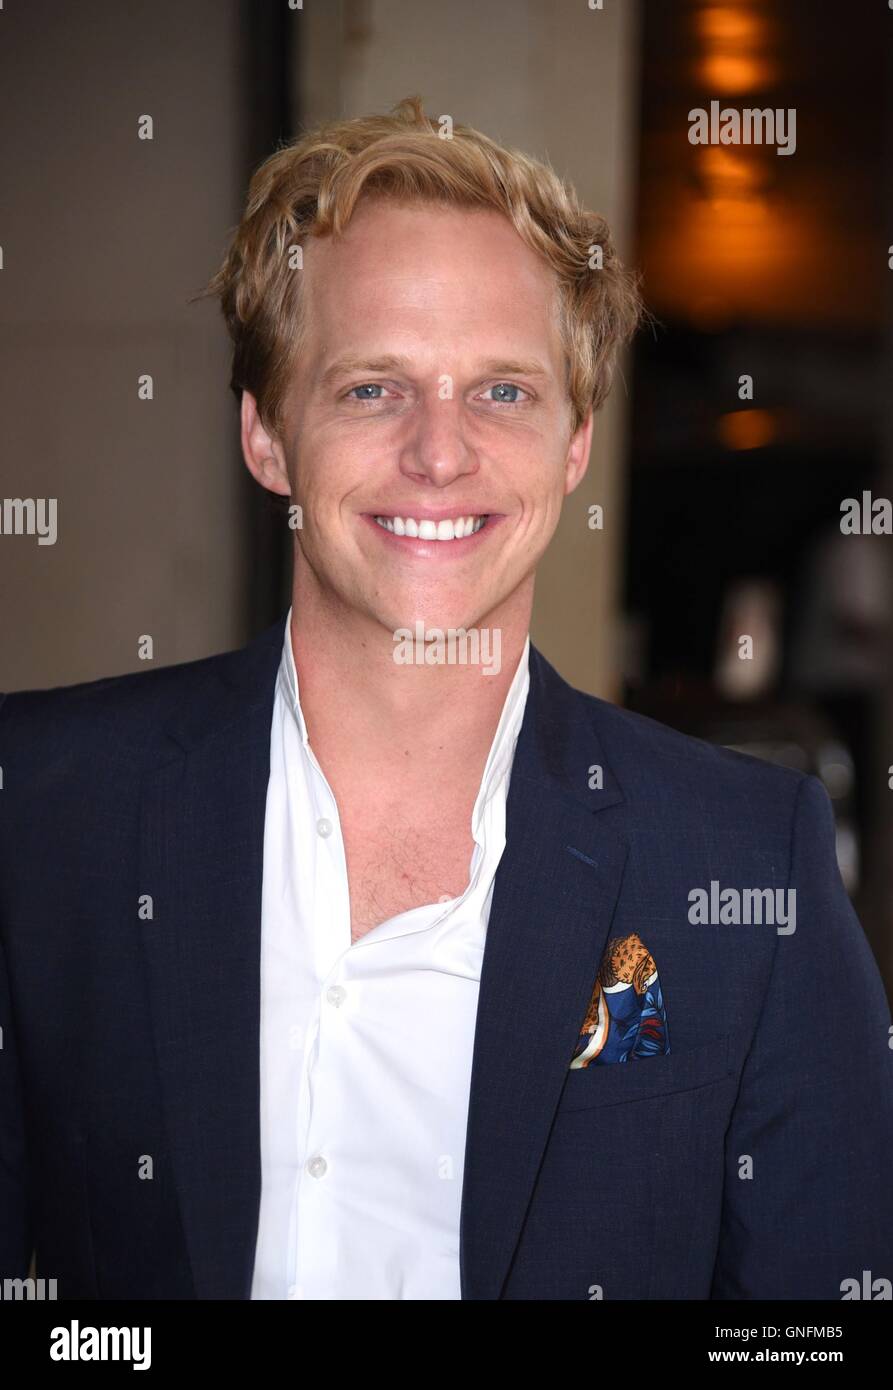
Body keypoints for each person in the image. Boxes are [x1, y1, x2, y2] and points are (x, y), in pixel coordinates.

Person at [1, 96, 890, 1302]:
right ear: (266, 435)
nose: (438, 452)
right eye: (373, 388)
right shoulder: (45, 805)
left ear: (574, 443)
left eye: (501, 392)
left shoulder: (745, 862)